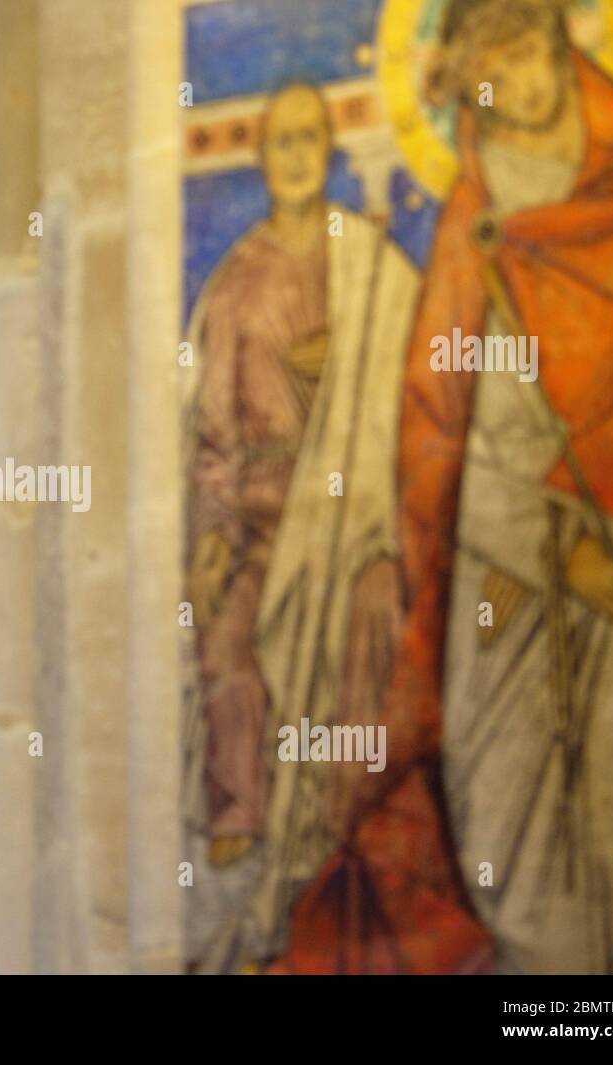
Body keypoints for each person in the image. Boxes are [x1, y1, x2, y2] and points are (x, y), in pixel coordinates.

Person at [275, 0, 613, 973]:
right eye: (495, 67)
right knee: (503, 813)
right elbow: (443, 432)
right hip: (502, 551)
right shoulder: (475, 225)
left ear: (563, 45)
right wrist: (542, 539)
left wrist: (602, 532)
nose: (524, 86)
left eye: (537, 54)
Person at [185, 83, 419, 966]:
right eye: (280, 140)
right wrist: (212, 529)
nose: (295, 154)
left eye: (310, 139)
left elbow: (411, 365)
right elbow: (212, 432)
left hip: (349, 505)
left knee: (374, 608)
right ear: (261, 155)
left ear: (327, 149)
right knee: (225, 641)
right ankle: (243, 809)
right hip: (257, 511)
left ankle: (342, 815)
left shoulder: (361, 258)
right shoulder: (237, 283)